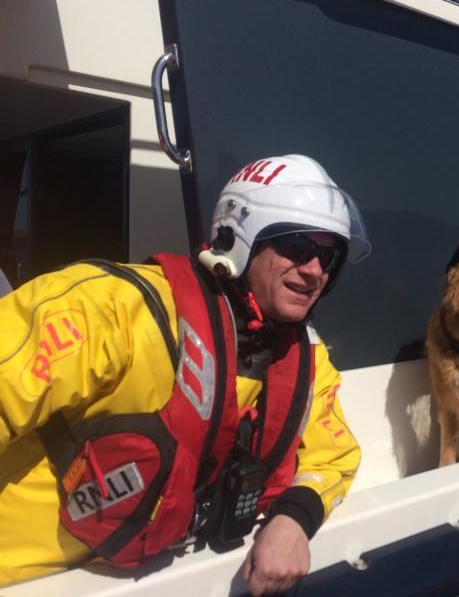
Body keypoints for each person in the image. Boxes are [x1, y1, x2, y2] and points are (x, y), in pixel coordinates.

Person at [0, 154, 369, 595]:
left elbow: (335, 456)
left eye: (328, 257)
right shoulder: (110, 310)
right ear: (237, 239)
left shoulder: (307, 361)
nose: (315, 271)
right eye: (297, 248)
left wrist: (294, 518)